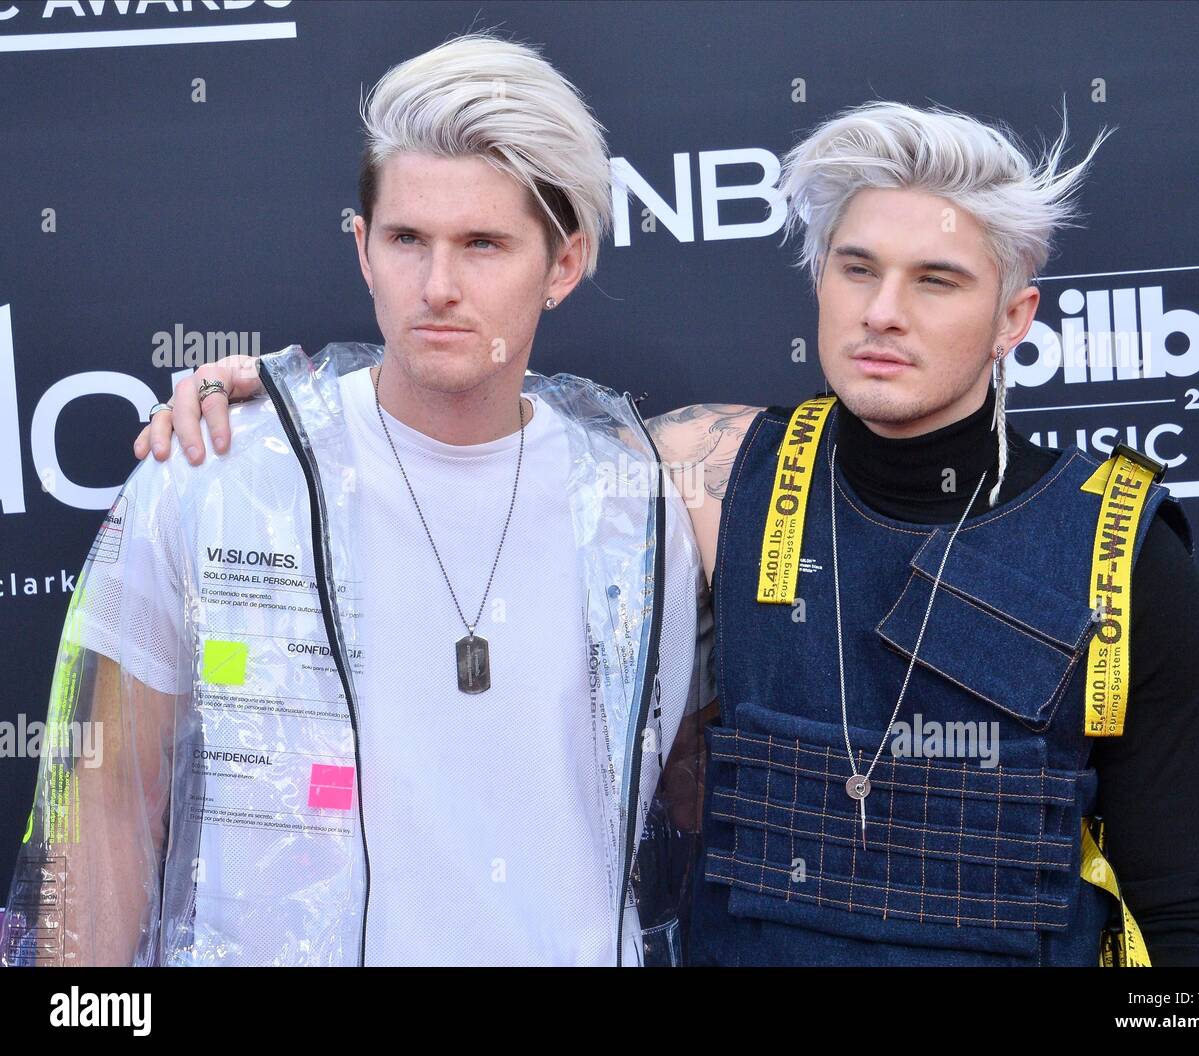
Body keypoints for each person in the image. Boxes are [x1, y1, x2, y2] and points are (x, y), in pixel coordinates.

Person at [140, 101, 1199, 965]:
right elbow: (449, 433)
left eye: (936, 280)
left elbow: (1185, 903)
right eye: (856, 268)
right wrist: (271, 407)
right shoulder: (703, 473)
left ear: (1012, 316)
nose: (883, 310)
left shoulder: (1120, 545)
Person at [1, 33, 710, 968]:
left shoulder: (643, 508)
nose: (439, 287)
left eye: (484, 245)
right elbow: (104, 811)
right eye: (407, 239)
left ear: (565, 263)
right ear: (362, 248)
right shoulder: (216, 477)